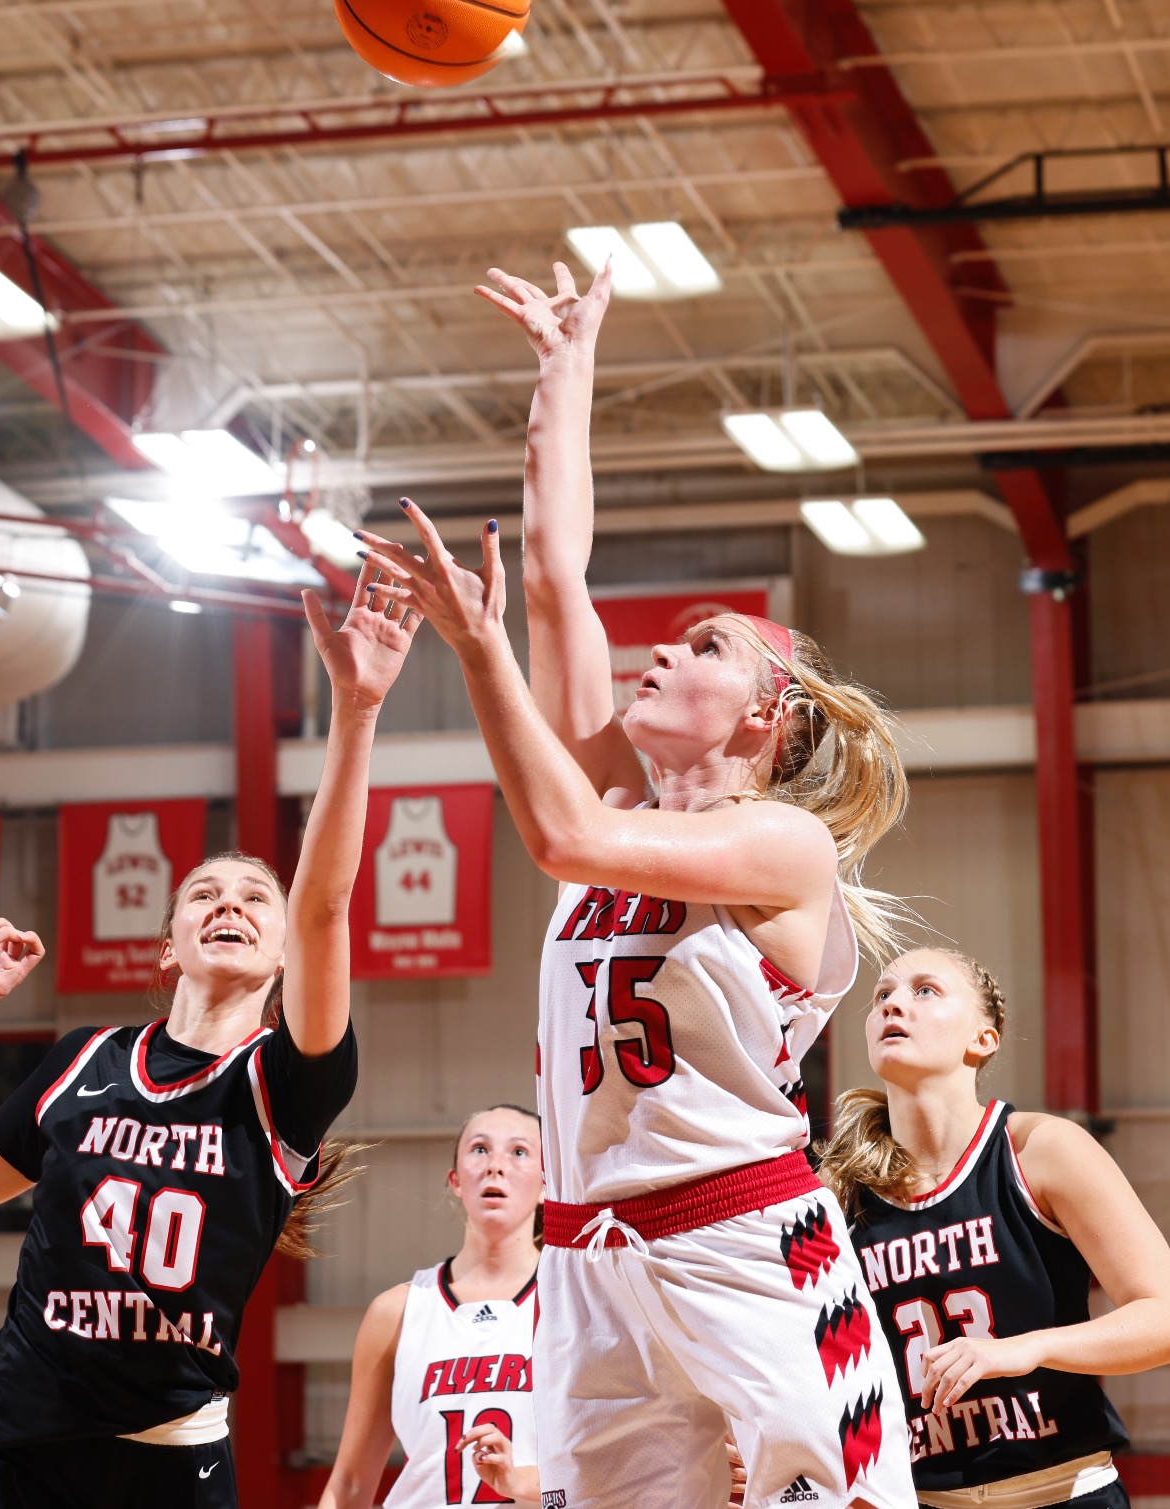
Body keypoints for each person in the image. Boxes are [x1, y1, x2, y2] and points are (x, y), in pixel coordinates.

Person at [355, 262, 916, 1509]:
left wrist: (475, 649)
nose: (663, 648)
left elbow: (555, 837)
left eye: (704, 644)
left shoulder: (782, 847)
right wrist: (567, 363)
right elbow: (556, 574)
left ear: (767, 716)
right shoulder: (621, 801)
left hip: (743, 1243)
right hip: (588, 1257)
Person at [0, 568, 420, 1509]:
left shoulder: (284, 1082)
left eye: (254, 898)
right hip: (17, 1436)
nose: (230, 903)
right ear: (170, 945)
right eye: (205, 895)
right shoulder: (83, 1062)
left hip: (172, 1455)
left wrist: (355, 712)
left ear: (280, 961)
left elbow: (326, 905)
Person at [821, 948, 1170, 1509]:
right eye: (882, 995)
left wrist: (1024, 1350)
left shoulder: (1040, 1149)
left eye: (925, 991)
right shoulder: (840, 1186)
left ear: (984, 1038)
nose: (894, 1003)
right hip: (921, 1497)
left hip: (1063, 1491)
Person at [320, 1104, 544, 1509]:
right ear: (455, 1180)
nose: (496, 1165)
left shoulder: (575, 1305)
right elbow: (350, 1484)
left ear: (548, 1184)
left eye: (519, 1152)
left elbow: (614, 1471)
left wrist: (520, 1481)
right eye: (479, 1149)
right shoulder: (397, 1311)